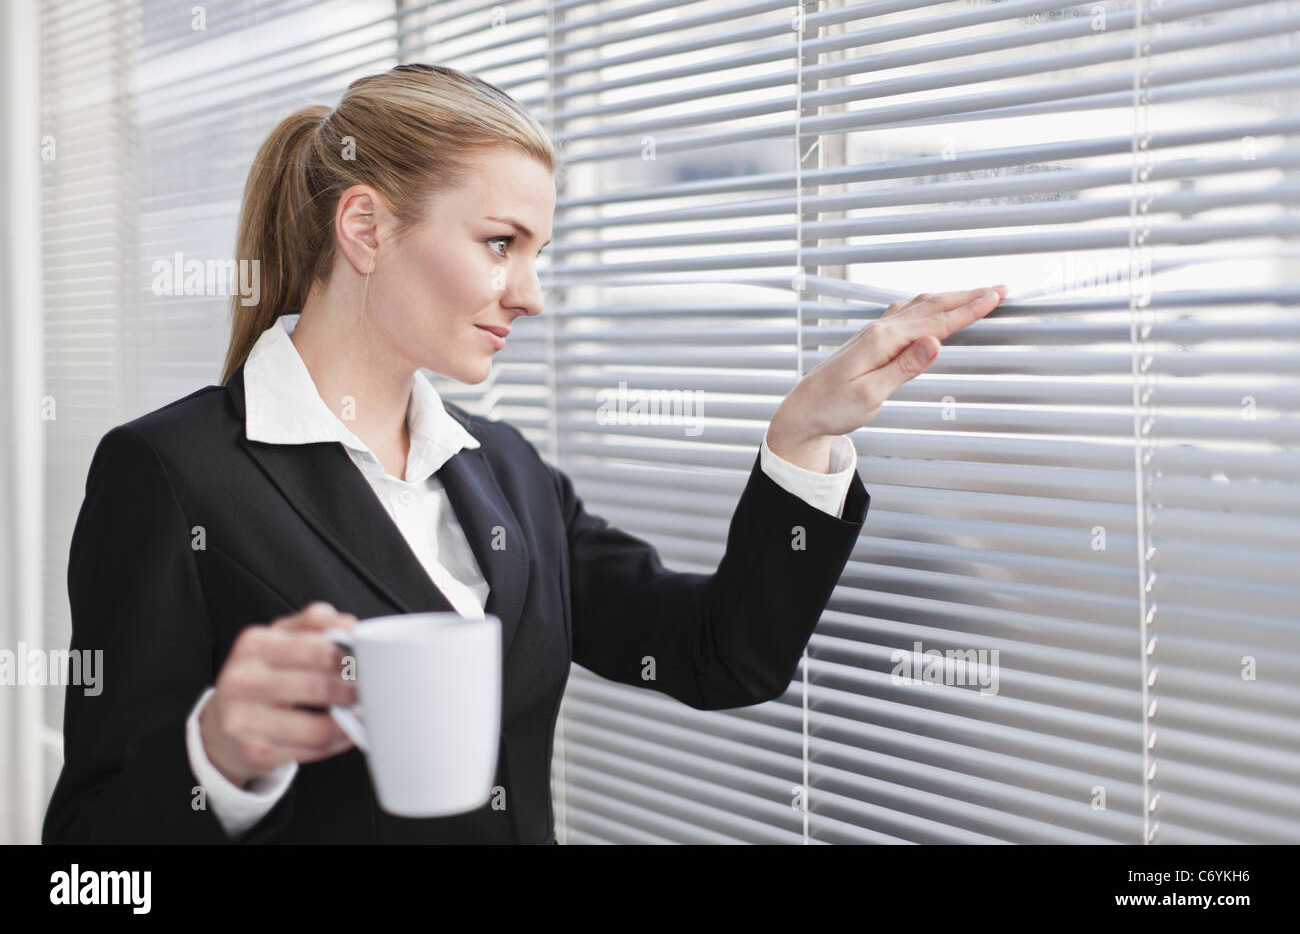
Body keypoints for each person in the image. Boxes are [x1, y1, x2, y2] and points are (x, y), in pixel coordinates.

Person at [41, 63, 1007, 844]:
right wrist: (216, 757)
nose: (532, 294)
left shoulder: (502, 472)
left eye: (536, 251)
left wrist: (804, 438)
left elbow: (720, 658)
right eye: (501, 242)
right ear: (367, 227)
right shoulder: (171, 476)